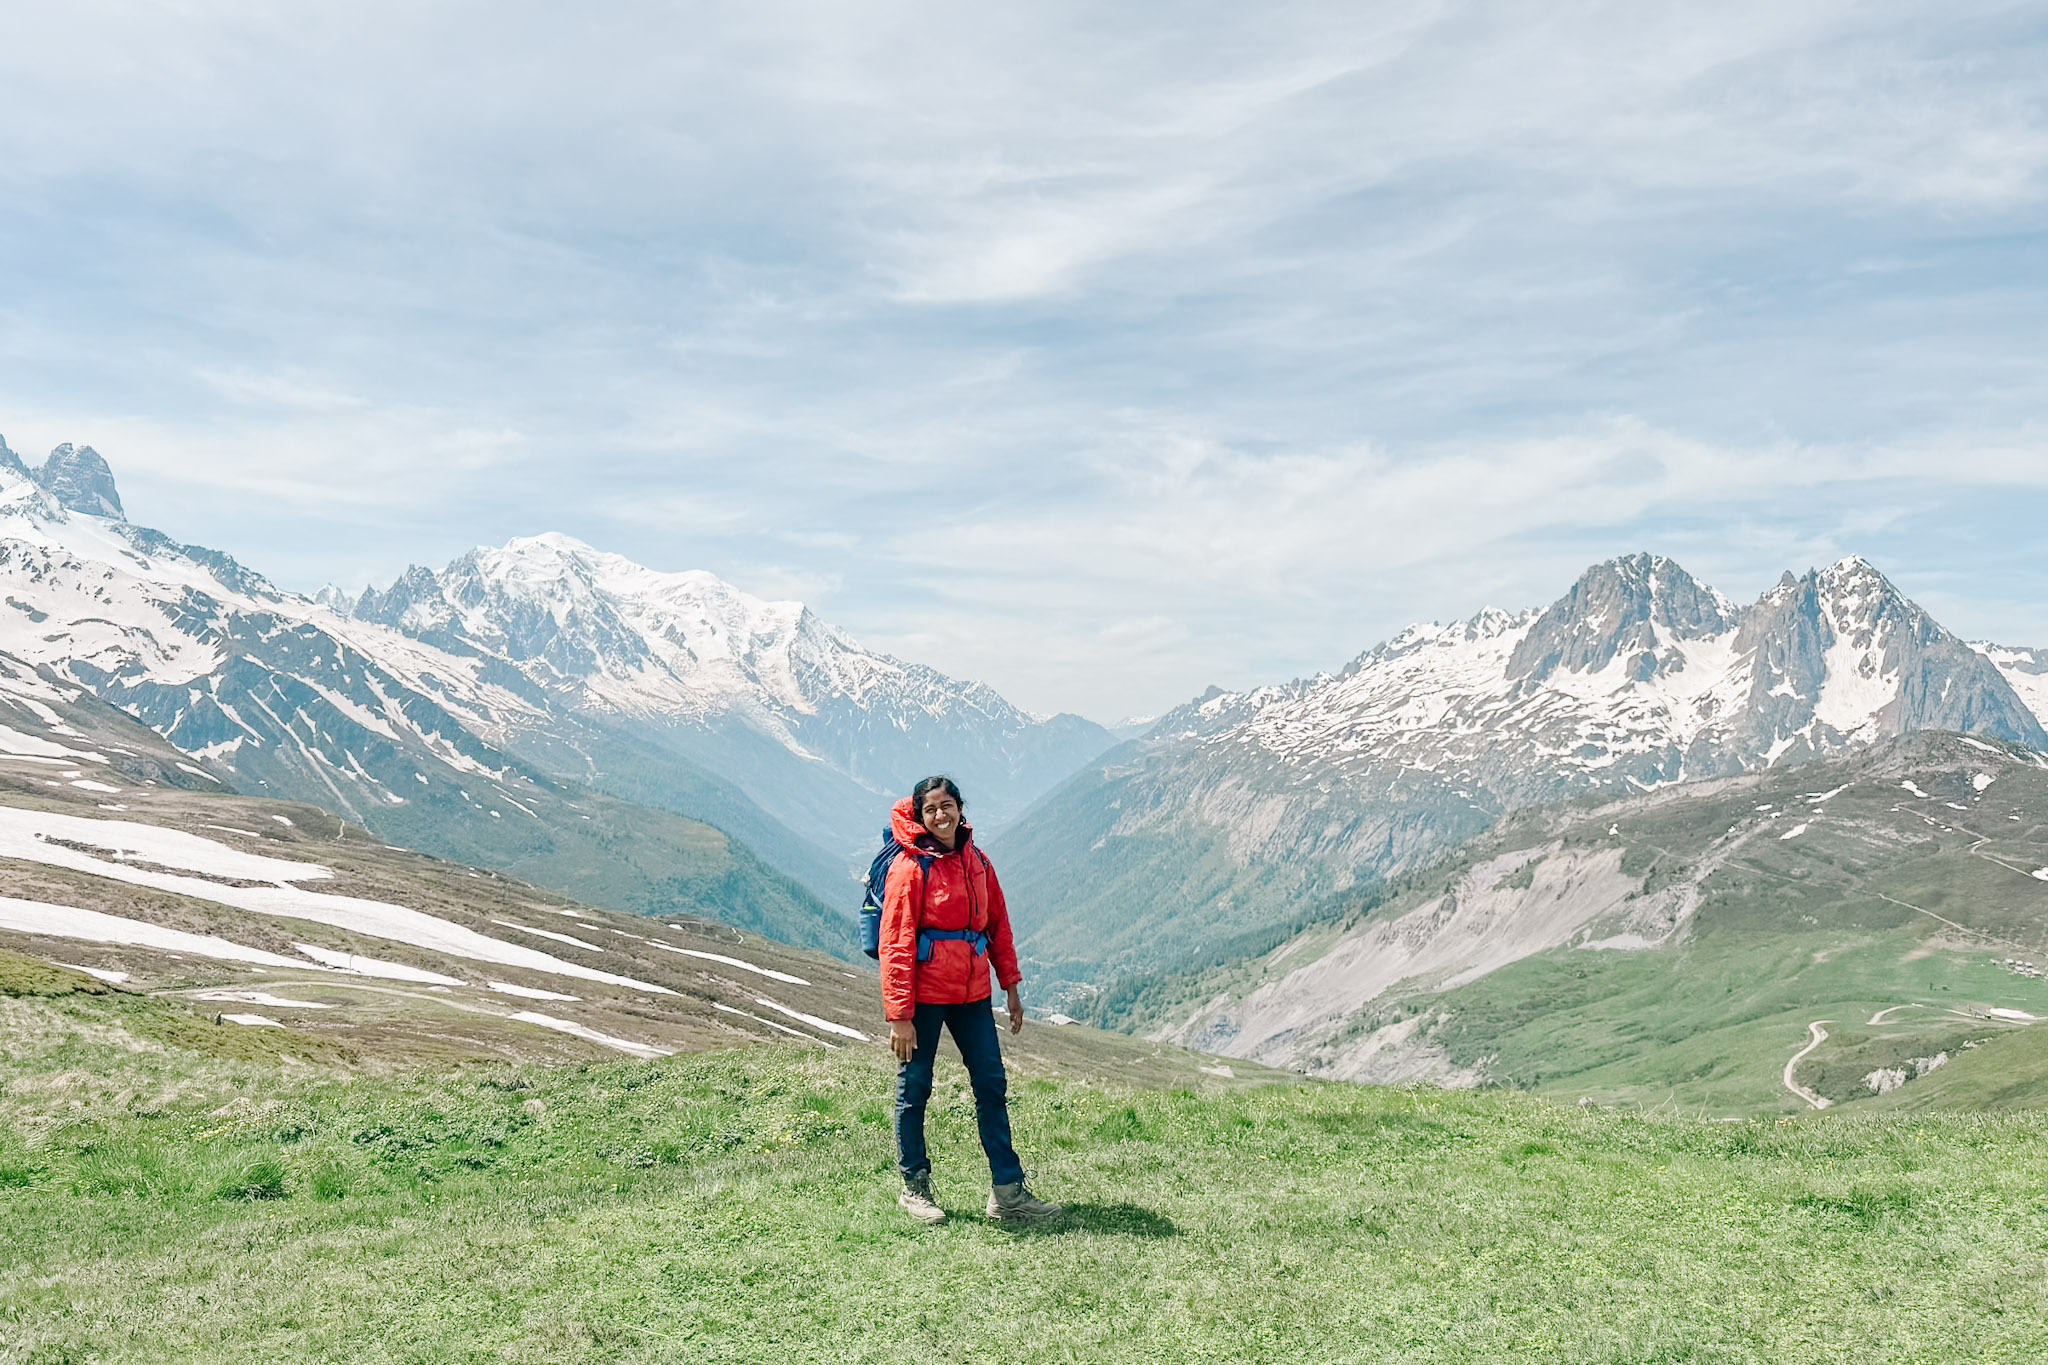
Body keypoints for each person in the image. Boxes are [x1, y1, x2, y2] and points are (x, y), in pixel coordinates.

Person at [878, 774, 1063, 1225]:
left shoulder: (977, 860)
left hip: (973, 993)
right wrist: (899, 1016)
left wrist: (1011, 986)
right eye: (931, 809)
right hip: (923, 998)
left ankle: (1008, 1193)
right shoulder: (910, 867)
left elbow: (997, 924)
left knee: (991, 1086)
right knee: (915, 1087)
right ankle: (914, 1188)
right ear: (921, 817)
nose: (940, 815)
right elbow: (896, 942)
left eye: (947, 805)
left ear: (960, 808)